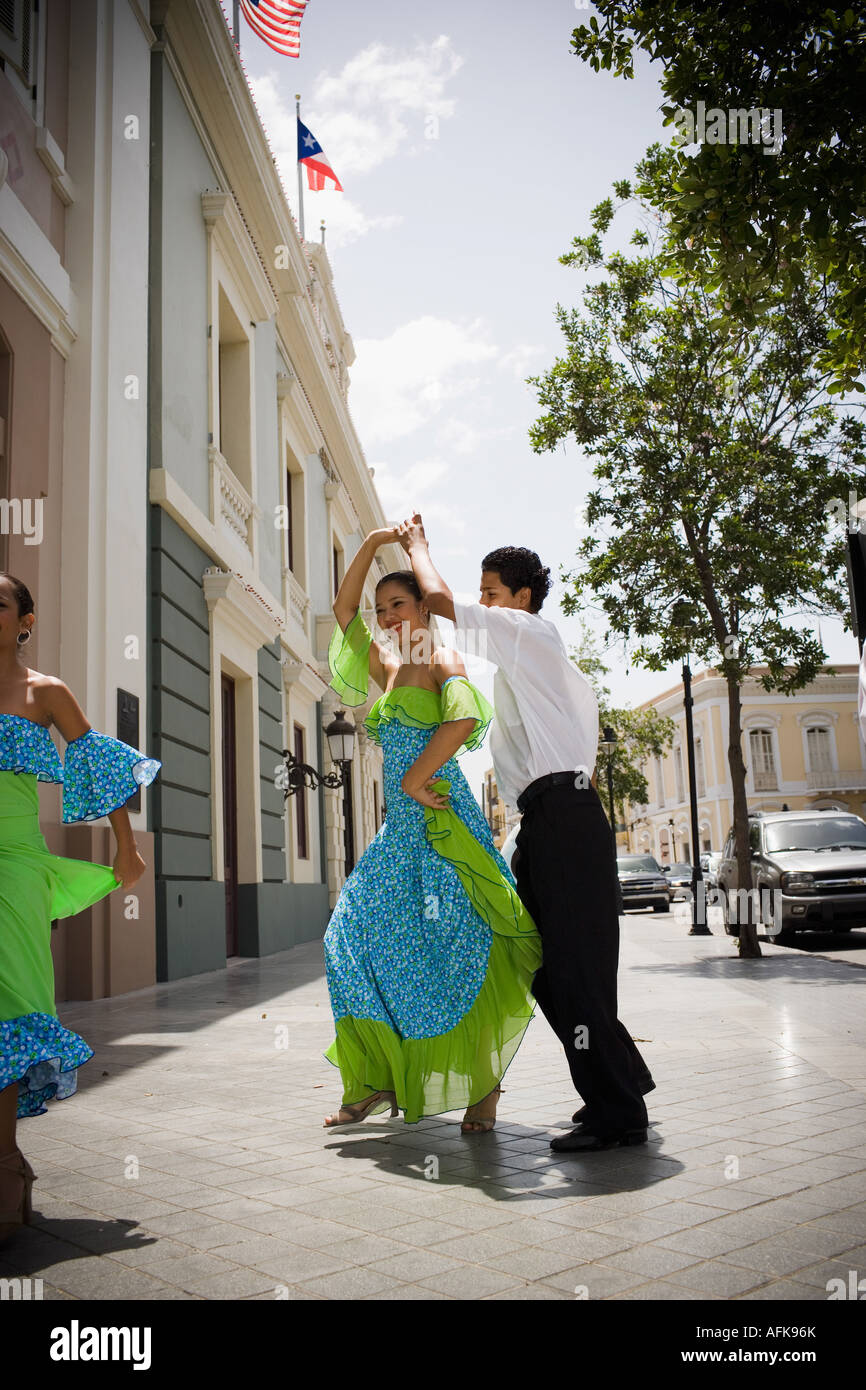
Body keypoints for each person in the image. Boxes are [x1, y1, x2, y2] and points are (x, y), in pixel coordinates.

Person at [401, 517, 655, 1152]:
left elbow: (435, 602)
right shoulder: (533, 659)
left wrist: (418, 549)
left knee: (574, 971)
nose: (482, 603)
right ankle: (618, 1081)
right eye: (482, 593)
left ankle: (617, 1113)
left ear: (520, 596)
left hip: (563, 821)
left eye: (489, 591)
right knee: (540, 959)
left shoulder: (527, 631)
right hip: (548, 821)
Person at [321, 527, 541, 1133]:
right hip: (400, 832)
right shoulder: (387, 667)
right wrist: (370, 541)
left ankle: (485, 1088)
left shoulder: (443, 658)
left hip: (444, 820)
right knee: (349, 939)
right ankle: (376, 1077)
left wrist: (417, 779)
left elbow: (464, 716)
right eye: (382, 608)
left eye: (397, 604)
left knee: (462, 949)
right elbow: (342, 610)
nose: (387, 616)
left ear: (422, 608)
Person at [0, 573, 161, 1238]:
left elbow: (98, 764)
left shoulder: (45, 693)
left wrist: (125, 847)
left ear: (25, 619)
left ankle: (5, 1160)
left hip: (12, 868)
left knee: (10, 1003)